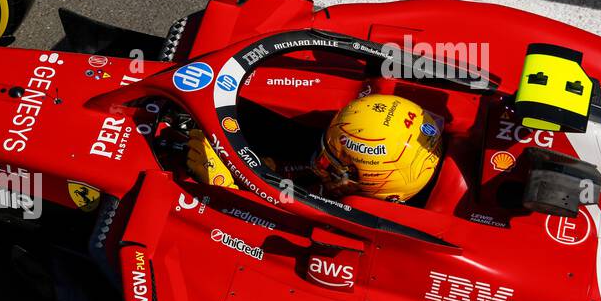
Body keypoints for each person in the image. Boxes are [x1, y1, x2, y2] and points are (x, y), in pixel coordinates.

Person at [187, 93, 444, 203]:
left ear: (375, 182)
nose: (318, 164)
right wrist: (271, 169)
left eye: (329, 165)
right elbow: (308, 171)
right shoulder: (380, 177)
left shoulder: (369, 225)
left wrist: (225, 189)